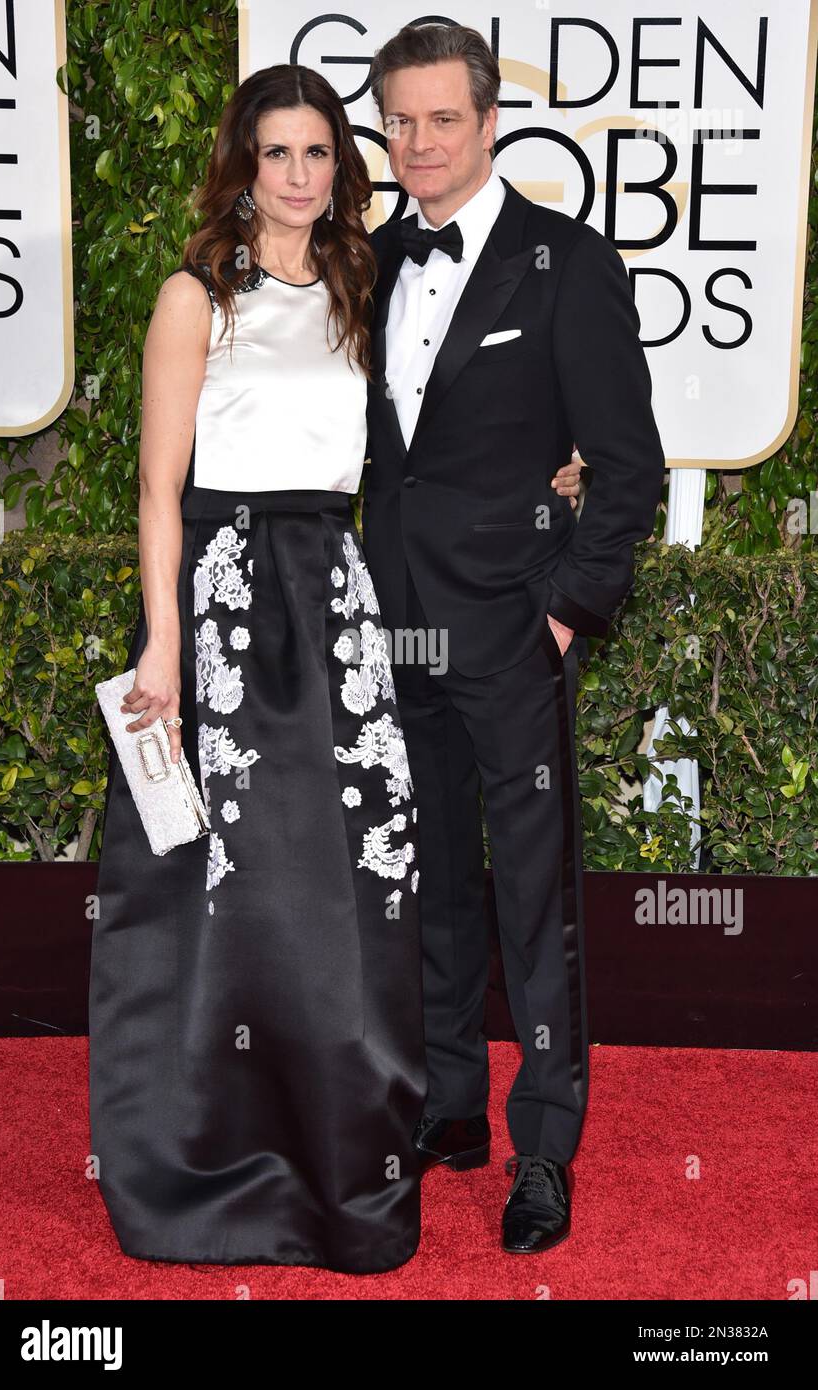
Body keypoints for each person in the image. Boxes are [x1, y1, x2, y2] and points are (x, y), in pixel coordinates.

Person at [88, 58, 585, 1273]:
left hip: (342, 606)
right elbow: (158, 485)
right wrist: (162, 637)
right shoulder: (194, 295)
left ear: (338, 167)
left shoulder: (363, 281)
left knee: (347, 892)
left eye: (318, 153)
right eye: (277, 154)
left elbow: (431, 433)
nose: (300, 176)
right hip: (221, 603)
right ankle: (206, 1154)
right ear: (242, 166)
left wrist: (552, 481)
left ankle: (345, 1151)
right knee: (221, 885)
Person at [361, 23, 666, 1254]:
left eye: (442, 119)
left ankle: (544, 1140)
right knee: (429, 872)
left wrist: (559, 617)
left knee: (533, 898)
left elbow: (629, 469)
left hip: (510, 631)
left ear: (490, 123)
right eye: (400, 122)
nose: (420, 144)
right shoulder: (367, 260)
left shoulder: (566, 261)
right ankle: (449, 1102)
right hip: (396, 628)